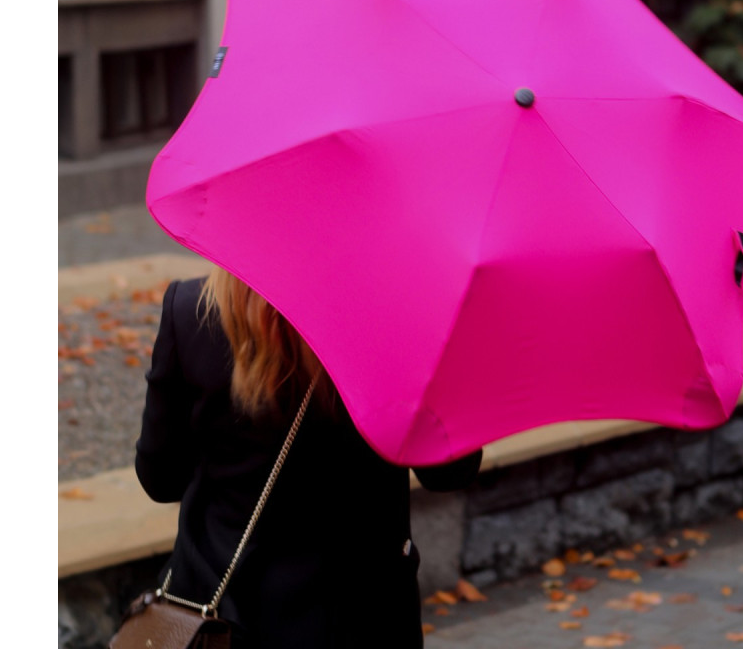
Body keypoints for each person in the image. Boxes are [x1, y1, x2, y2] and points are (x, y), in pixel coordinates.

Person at [135, 268, 483, 648]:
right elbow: (450, 473)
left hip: (224, 617)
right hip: (363, 615)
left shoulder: (188, 309)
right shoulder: (396, 316)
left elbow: (161, 479)